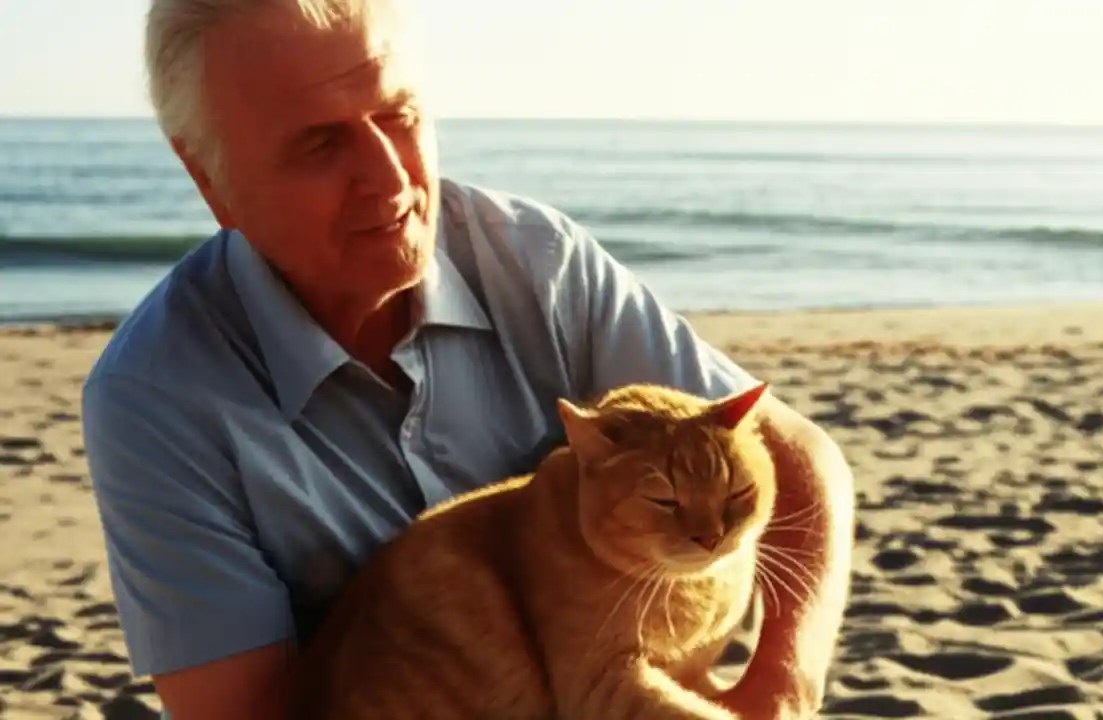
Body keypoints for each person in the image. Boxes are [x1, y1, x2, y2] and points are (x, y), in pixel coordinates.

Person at [80, 1, 854, 718]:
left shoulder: (535, 260)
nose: (389, 178)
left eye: (399, 114)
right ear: (209, 178)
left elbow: (799, 457)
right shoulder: (156, 399)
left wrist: (782, 684)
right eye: (321, 143)